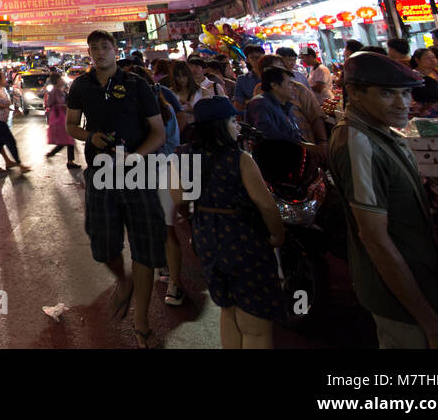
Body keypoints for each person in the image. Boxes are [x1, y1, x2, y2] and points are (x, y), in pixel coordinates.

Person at [329, 52, 438, 348]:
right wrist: (432, 325)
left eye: (404, 93)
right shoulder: (358, 142)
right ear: (354, 93)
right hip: (400, 300)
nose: (402, 103)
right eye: (387, 93)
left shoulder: (382, 132)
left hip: (422, 280)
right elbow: (375, 240)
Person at [65, 31, 167, 349]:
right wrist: (89, 135)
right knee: (103, 244)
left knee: (145, 247)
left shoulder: (137, 84)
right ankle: (123, 280)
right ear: (89, 52)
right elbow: (71, 125)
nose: (99, 52)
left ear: (115, 49)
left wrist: (135, 158)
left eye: (104, 47)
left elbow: (159, 133)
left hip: (137, 173)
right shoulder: (81, 85)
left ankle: (142, 323)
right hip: (101, 173)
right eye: (93, 47)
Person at [173, 97, 286, 348]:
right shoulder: (240, 159)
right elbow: (266, 205)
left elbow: (178, 198)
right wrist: (278, 236)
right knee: (256, 325)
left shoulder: (182, 155)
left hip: (206, 236)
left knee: (228, 309)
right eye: (233, 121)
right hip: (242, 237)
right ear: (219, 126)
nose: (238, 126)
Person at [123, 63, 185, 306]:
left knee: (168, 228)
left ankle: (175, 283)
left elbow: (171, 144)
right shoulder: (127, 112)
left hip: (164, 172)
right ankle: (163, 266)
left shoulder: (164, 109)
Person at [253, 54, 328, 146]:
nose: (278, 72)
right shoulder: (260, 98)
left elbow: (315, 115)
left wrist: (322, 143)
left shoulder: (298, 88)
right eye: (272, 70)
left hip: (306, 145)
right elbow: (270, 133)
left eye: (281, 68)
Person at [245, 67, 306, 142]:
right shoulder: (260, 104)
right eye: (290, 83)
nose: (294, 88)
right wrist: (301, 144)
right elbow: (268, 135)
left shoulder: (285, 105)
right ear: (274, 86)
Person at [0, 72, 30, 175]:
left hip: (0, 120)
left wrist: (12, 108)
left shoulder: (2, 89)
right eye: (3, 78)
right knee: (11, 142)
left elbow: (6, 102)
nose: (5, 79)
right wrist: (6, 106)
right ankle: (20, 165)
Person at [44, 72, 76, 167]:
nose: (62, 80)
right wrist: (62, 106)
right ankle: (70, 161)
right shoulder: (54, 91)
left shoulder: (60, 90)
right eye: (60, 79)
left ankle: (53, 154)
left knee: (67, 139)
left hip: (62, 116)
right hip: (59, 117)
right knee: (68, 138)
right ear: (57, 81)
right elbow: (49, 103)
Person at [167, 60, 206, 132]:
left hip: (199, 131)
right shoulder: (170, 93)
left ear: (189, 75)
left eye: (184, 76)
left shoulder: (202, 91)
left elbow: (208, 114)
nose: (181, 79)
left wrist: (192, 110)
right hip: (178, 131)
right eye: (178, 76)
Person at [232, 44, 265, 116]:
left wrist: (248, 101)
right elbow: (238, 105)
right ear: (247, 59)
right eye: (253, 58)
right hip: (254, 117)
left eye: (260, 57)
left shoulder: (272, 76)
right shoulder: (242, 79)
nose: (257, 60)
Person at [409, 49, 438, 117]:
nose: (432, 60)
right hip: (424, 112)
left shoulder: (437, 72)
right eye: (428, 58)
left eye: (433, 57)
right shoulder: (414, 76)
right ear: (417, 60)